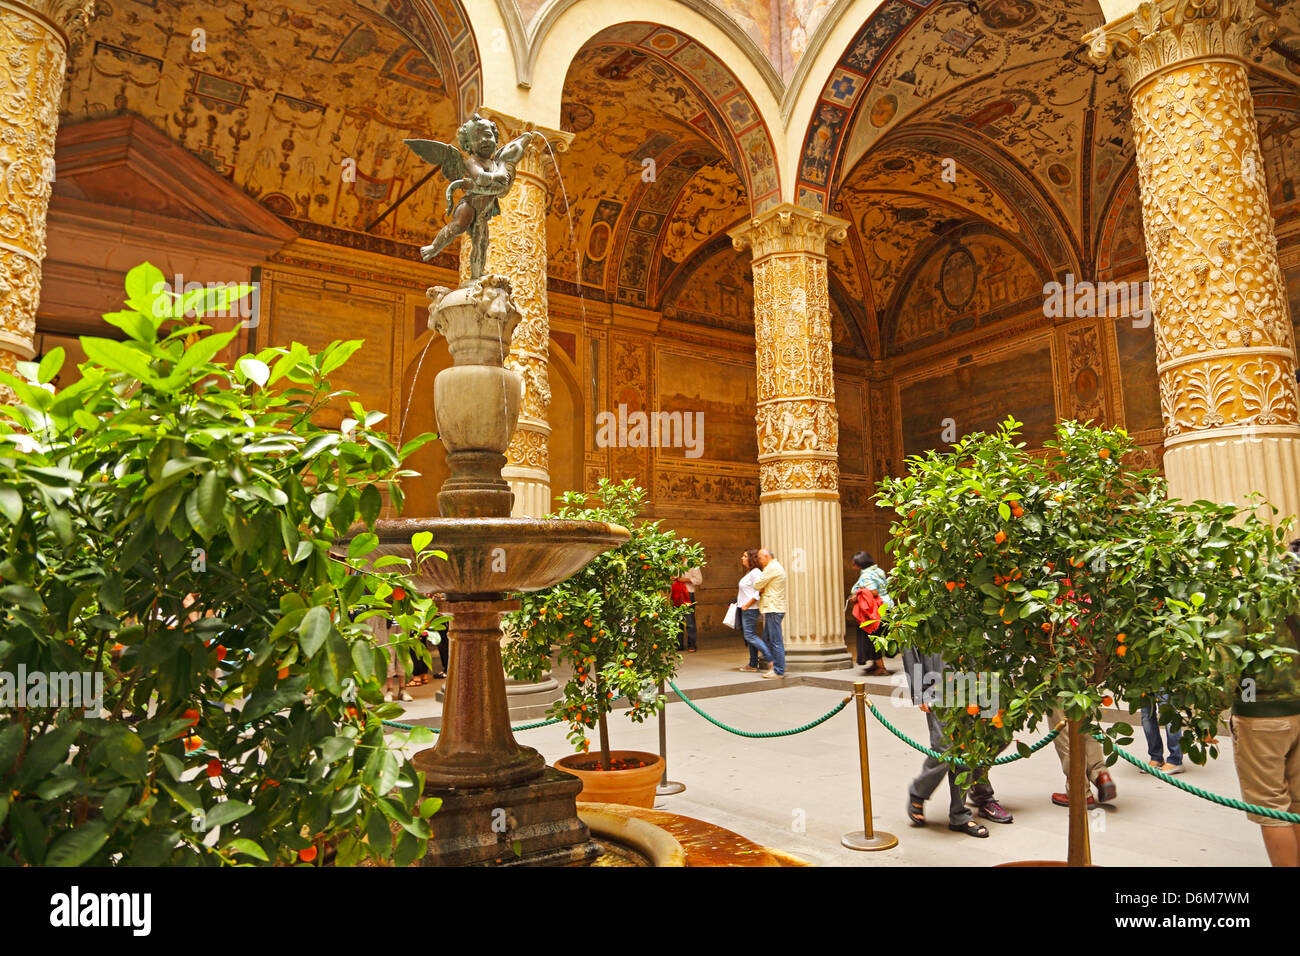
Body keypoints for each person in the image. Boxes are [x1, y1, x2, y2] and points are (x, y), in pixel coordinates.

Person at [1225, 538, 1300, 866]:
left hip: (1262, 714)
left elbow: (1226, 654)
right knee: (1297, 805)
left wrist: (1209, 706)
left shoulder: (1252, 595)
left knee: (1272, 809)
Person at [903, 646, 1013, 835]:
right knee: (945, 747)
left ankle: (968, 804)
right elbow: (909, 645)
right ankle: (921, 792)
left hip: (977, 681)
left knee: (987, 740)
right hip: (938, 684)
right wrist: (919, 692)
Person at [848, 551, 890, 675]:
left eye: (853, 564)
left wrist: (857, 595)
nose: (852, 566)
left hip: (873, 610)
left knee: (871, 636)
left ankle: (881, 667)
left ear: (859, 564)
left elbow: (874, 591)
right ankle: (875, 663)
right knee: (878, 635)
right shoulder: (878, 570)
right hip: (885, 606)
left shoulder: (866, 575)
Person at [753, 548, 787, 679]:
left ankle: (779, 670)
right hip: (772, 607)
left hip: (773, 608)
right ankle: (776, 665)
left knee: (775, 641)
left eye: (760, 558)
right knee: (768, 638)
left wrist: (761, 587)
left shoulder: (772, 568)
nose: (759, 561)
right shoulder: (775, 567)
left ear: (767, 556)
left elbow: (757, 584)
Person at [735, 549, 766, 672]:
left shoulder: (756, 573)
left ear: (751, 559)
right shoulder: (750, 572)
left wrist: (747, 605)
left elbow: (760, 591)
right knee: (749, 636)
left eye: (744, 556)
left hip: (750, 609)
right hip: (745, 609)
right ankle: (753, 664)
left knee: (750, 635)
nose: (742, 558)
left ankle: (769, 655)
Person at [1140, 693, 1184, 774]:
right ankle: (1156, 757)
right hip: (1141, 681)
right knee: (1146, 715)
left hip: (1162, 680)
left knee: (1168, 713)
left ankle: (1175, 760)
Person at [675, 566, 702, 652]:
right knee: (678, 620)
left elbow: (699, 580)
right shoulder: (675, 563)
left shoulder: (691, 564)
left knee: (689, 620)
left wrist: (685, 579)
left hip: (688, 593)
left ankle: (692, 644)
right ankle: (679, 644)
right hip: (677, 593)